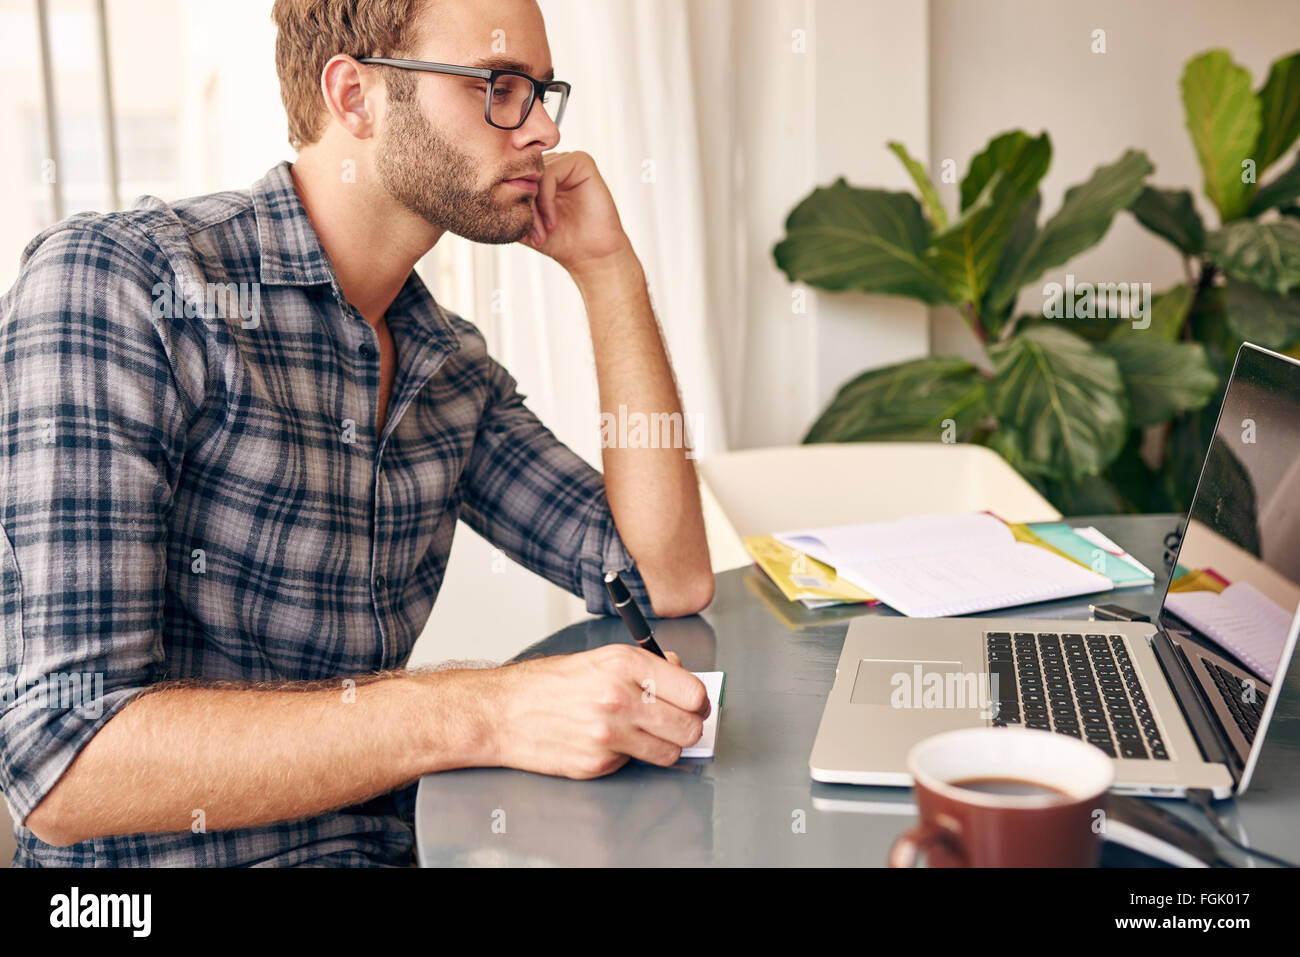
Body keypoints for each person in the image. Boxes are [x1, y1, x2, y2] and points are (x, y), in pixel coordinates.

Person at [0, 0, 714, 867]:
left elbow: (665, 576)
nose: (543, 127)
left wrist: (609, 272)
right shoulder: (124, 284)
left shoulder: (447, 365)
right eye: (500, 86)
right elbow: (62, 763)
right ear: (355, 97)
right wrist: (486, 709)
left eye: (541, 90)